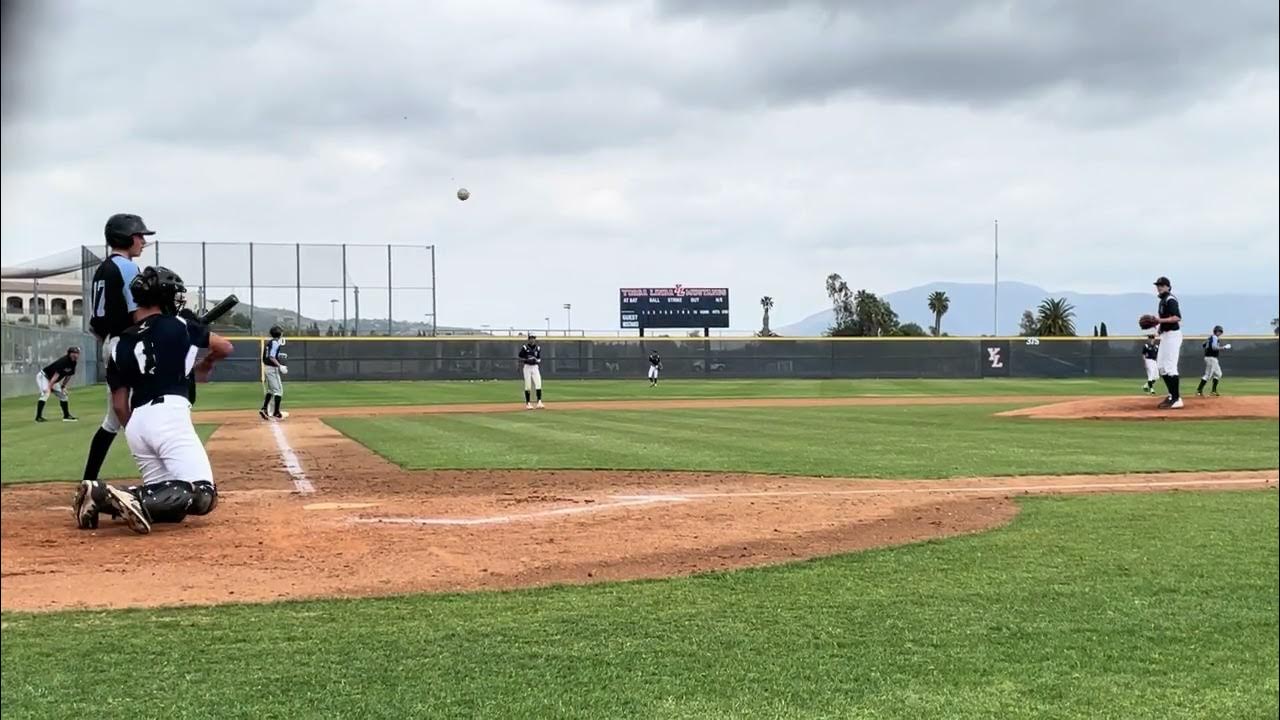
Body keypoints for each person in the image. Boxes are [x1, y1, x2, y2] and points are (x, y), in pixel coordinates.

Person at [72, 266, 232, 534]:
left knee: (171, 509)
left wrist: (137, 429)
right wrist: (206, 364)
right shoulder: (179, 325)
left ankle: (99, 499)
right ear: (165, 296)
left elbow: (120, 405)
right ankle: (124, 494)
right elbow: (225, 346)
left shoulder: (119, 343)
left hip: (136, 423)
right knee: (203, 494)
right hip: (169, 416)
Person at [82, 213, 153, 482]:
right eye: (139, 236)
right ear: (127, 237)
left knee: (113, 420)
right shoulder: (127, 268)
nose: (143, 242)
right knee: (138, 411)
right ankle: (158, 476)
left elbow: (94, 323)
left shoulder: (102, 269)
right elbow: (138, 313)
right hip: (125, 347)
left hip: (111, 343)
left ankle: (88, 482)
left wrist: (111, 344)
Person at [1152, 276, 1183, 409]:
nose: (1159, 287)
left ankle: (1177, 399)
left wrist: (1159, 321)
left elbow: (1177, 317)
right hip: (1165, 336)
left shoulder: (1170, 300)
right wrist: (1158, 330)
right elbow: (1163, 320)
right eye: (1158, 285)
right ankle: (1172, 395)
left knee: (1170, 367)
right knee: (1161, 367)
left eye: (1162, 285)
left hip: (1173, 336)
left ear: (1168, 287)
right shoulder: (1162, 301)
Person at [35, 346, 80, 422]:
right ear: (69, 354)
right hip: (44, 377)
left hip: (53, 380)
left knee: (64, 396)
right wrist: (49, 387)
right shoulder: (63, 361)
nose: (76, 355)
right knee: (46, 393)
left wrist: (63, 386)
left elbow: (68, 375)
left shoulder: (74, 363)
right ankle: (38, 417)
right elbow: (56, 376)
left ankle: (66, 416)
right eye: (73, 353)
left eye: (77, 353)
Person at [259, 325, 288, 420]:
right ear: (279, 334)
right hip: (272, 369)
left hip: (267, 368)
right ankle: (276, 412)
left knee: (271, 390)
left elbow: (270, 354)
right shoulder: (275, 343)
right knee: (279, 390)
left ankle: (264, 409)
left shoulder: (270, 342)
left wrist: (279, 354)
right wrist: (280, 366)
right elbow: (271, 357)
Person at [1197, 325, 1229, 397]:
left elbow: (1203, 345)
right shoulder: (1214, 337)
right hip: (1211, 358)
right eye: (1219, 331)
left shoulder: (1210, 338)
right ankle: (1199, 391)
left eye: (1221, 331)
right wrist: (1224, 347)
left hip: (1212, 358)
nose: (1220, 333)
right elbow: (1214, 347)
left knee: (1218, 374)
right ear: (1216, 331)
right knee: (1208, 375)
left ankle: (1213, 391)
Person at [518, 334, 544, 409]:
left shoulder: (538, 348)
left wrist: (535, 360)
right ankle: (528, 403)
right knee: (528, 385)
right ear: (528, 339)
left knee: (538, 383)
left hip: (535, 367)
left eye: (533, 338)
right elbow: (520, 358)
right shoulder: (525, 348)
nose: (532, 340)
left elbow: (539, 359)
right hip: (527, 367)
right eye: (531, 338)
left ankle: (539, 402)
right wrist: (527, 359)